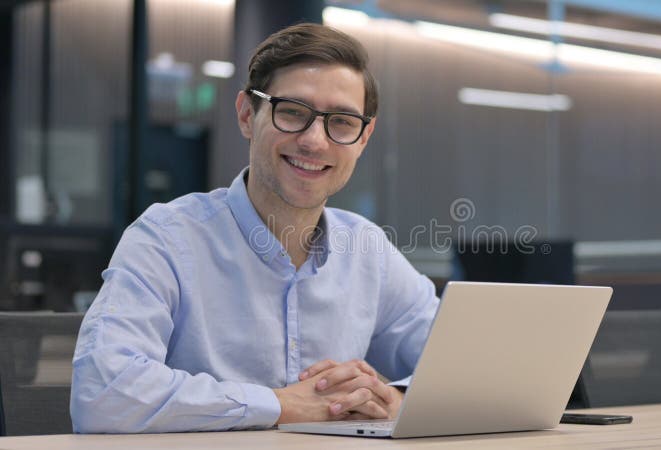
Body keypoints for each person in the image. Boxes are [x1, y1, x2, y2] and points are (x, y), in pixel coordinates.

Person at [70, 23, 439, 433]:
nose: (315, 141)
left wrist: (396, 398)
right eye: (293, 112)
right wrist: (280, 405)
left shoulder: (367, 250)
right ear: (248, 115)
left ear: (363, 137)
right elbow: (102, 393)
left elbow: (467, 363)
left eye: (342, 122)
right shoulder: (167, 238)